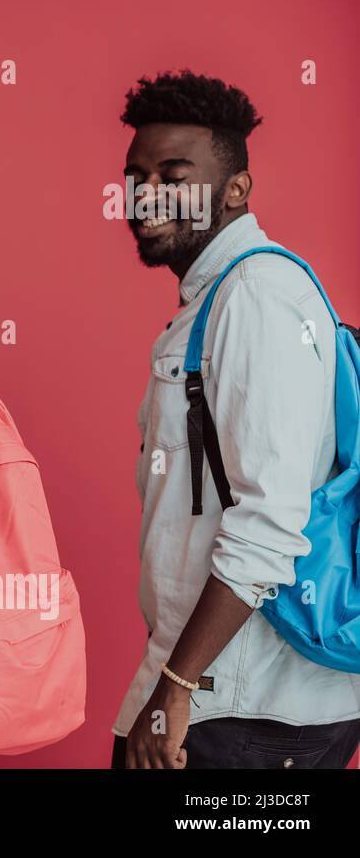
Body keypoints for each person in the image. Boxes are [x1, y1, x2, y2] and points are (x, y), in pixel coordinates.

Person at [112, 70, 360, 768]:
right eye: (136, 174)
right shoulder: (219, 296)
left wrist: (177, 688)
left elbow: (268, 519)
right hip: (225, 695)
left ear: (236, 190)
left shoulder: (255, 296)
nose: (146, 192)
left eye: (174, 173)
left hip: (243, 704)